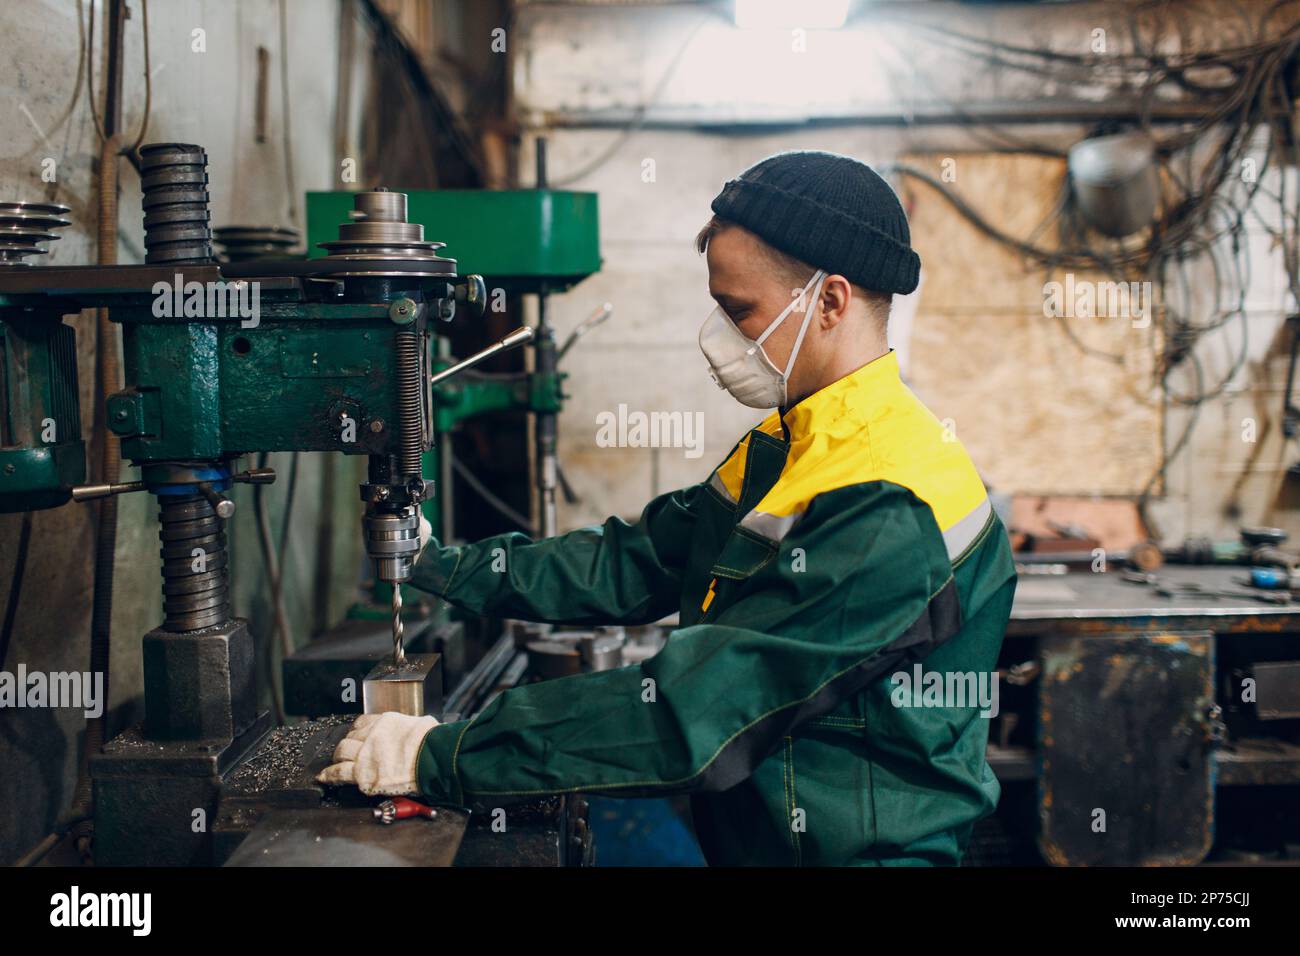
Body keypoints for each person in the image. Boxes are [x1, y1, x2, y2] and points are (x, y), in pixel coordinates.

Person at [319, 150, 1017, 866]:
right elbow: (636, 560)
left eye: (739, 311)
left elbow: (698, 708)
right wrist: (441, 562)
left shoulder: (887, 497)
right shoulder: (789, 442)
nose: (721, 338)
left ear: (831, 302)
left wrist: (444, 755)